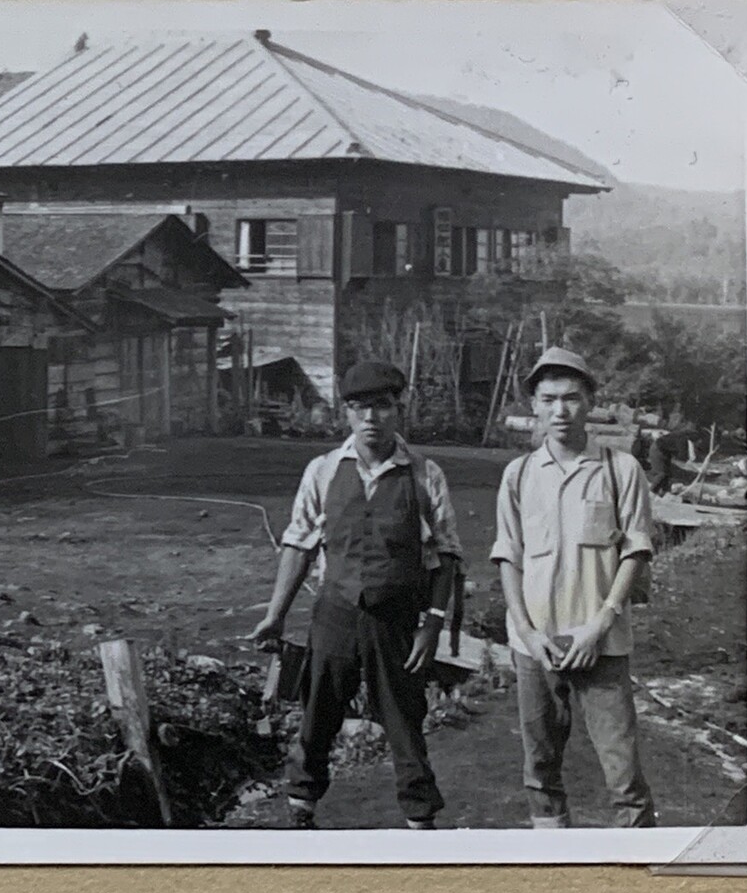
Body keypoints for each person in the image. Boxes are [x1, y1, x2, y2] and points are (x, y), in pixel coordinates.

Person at [250, 360, 462, 830]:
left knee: (405, 722)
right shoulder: (323, 470)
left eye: (382, 407)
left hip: (398, 618)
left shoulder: (425, 475)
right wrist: (275, 616)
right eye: (360, 408)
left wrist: (432, 624)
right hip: (336, 612)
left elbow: (446, 555)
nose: (371, 419)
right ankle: (300, 810)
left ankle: (421, 822)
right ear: (346, 414)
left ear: (397, 410)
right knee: (317, 714)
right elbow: (299, 542)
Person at [491, 347, 657, 829]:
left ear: (590, 403)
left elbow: (636, 551)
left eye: (571, 398)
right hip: (536, 646)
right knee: (540, 770)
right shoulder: (518, 475)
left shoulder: (620, 469)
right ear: (534, 407)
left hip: (601, 644)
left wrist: (600, 624)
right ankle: (554, 866)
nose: (560, 411)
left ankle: (639, 879)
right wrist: (527, 631)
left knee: (623, 775)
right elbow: (508, 557)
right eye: (548, 399)